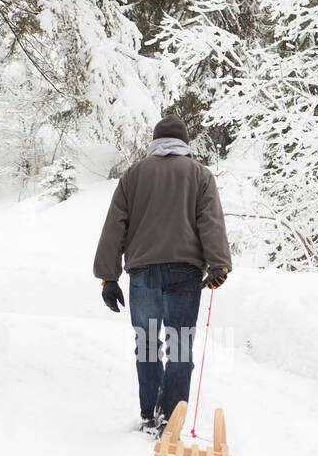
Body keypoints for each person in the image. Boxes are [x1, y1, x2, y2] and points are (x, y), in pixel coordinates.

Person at [94, 114, 231, 433]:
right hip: (185, 273)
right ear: (184, 143)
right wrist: (219, 264)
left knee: (147, 344)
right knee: (180, 345)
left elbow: (115, 226)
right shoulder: (200, 175)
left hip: (143, 275)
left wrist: (108, 277)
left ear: (155, 142)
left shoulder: (134, 175)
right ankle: (171, 418)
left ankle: (148, 415)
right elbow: (209, 221)